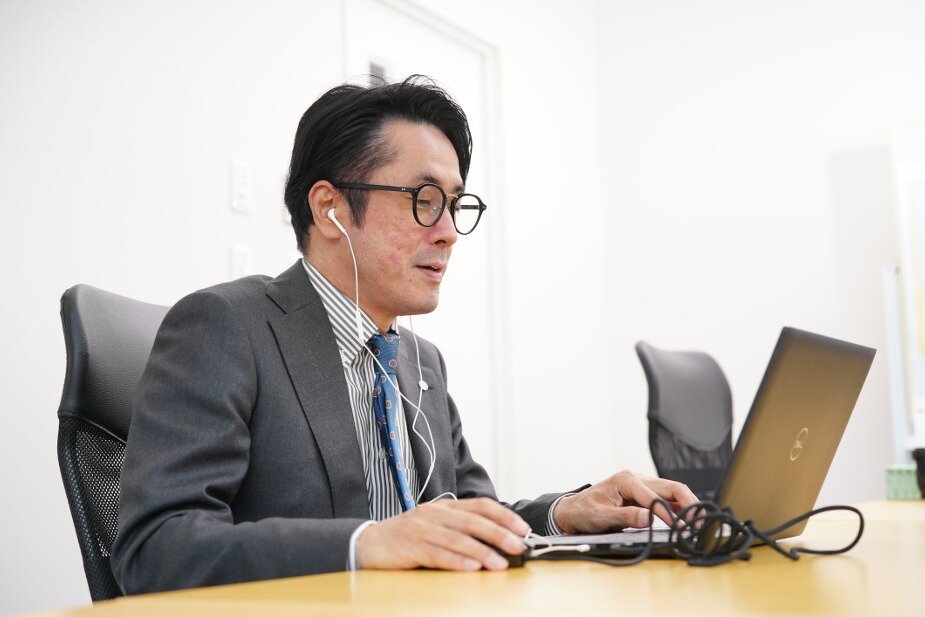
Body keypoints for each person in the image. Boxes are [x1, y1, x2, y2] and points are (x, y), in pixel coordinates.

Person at [111, 75, 697, 594]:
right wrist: (367, 543)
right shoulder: (226, 327)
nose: (449, 233)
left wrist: (564, 513)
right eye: (425, 200)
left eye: (455, 205)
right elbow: (155, 548)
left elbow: (470, 515)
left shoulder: (420, 360)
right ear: (329, 208)